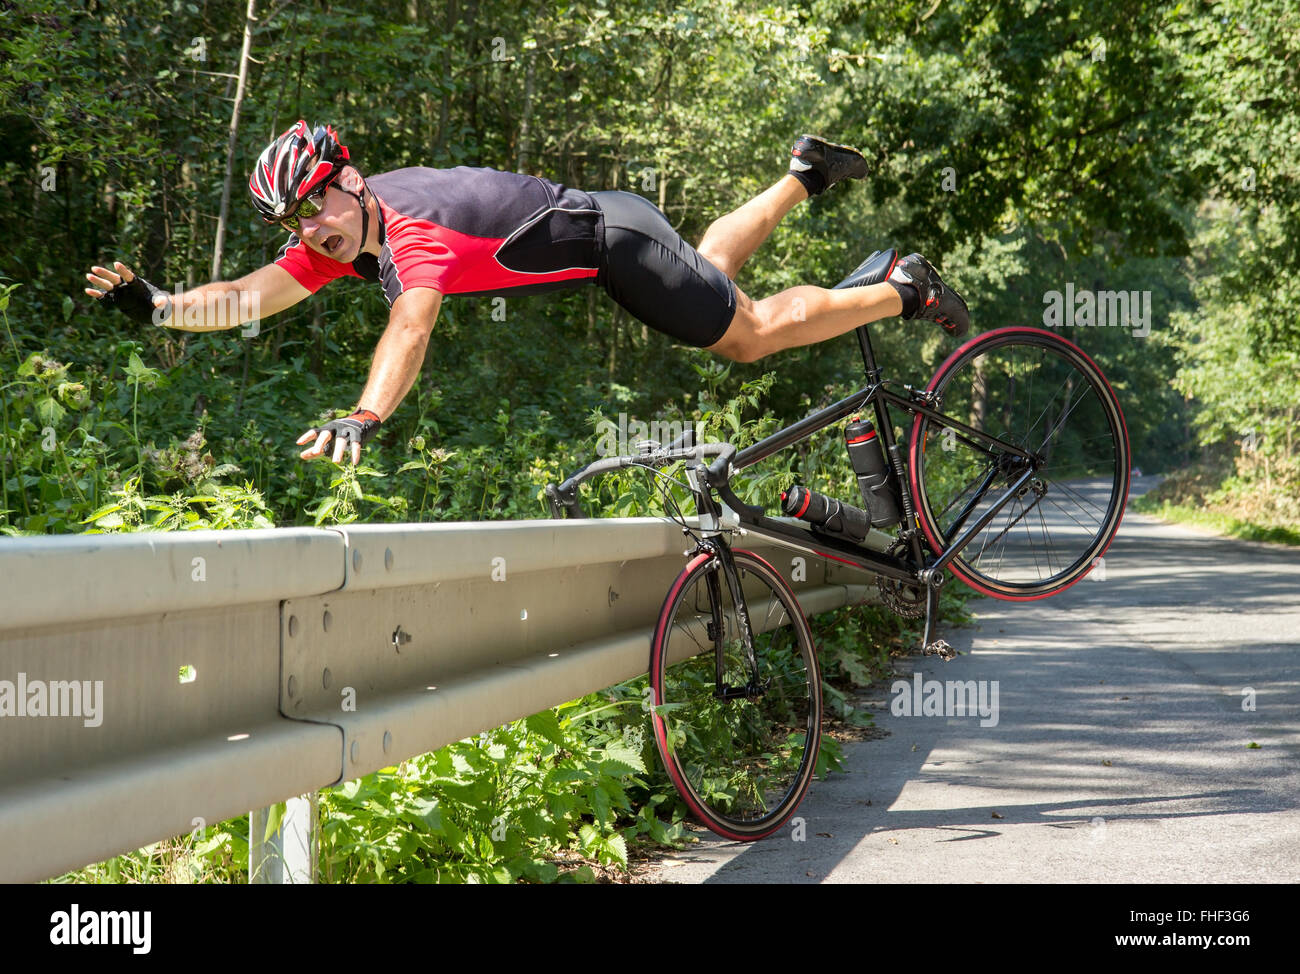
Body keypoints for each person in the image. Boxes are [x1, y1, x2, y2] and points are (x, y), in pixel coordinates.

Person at [85, 122, 969, 465]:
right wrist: (160, 306)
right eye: (294, 221)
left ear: (348, 177)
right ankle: (803, 176)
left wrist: (364, 415)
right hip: (616, 232)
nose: (310, 230)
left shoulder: (405, 229)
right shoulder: (342, 231)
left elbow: (411, 327)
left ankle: (899, 287)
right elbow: (247, 297)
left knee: (749, 334)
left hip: (614, 246)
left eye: (316, 202)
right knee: (713, 273)